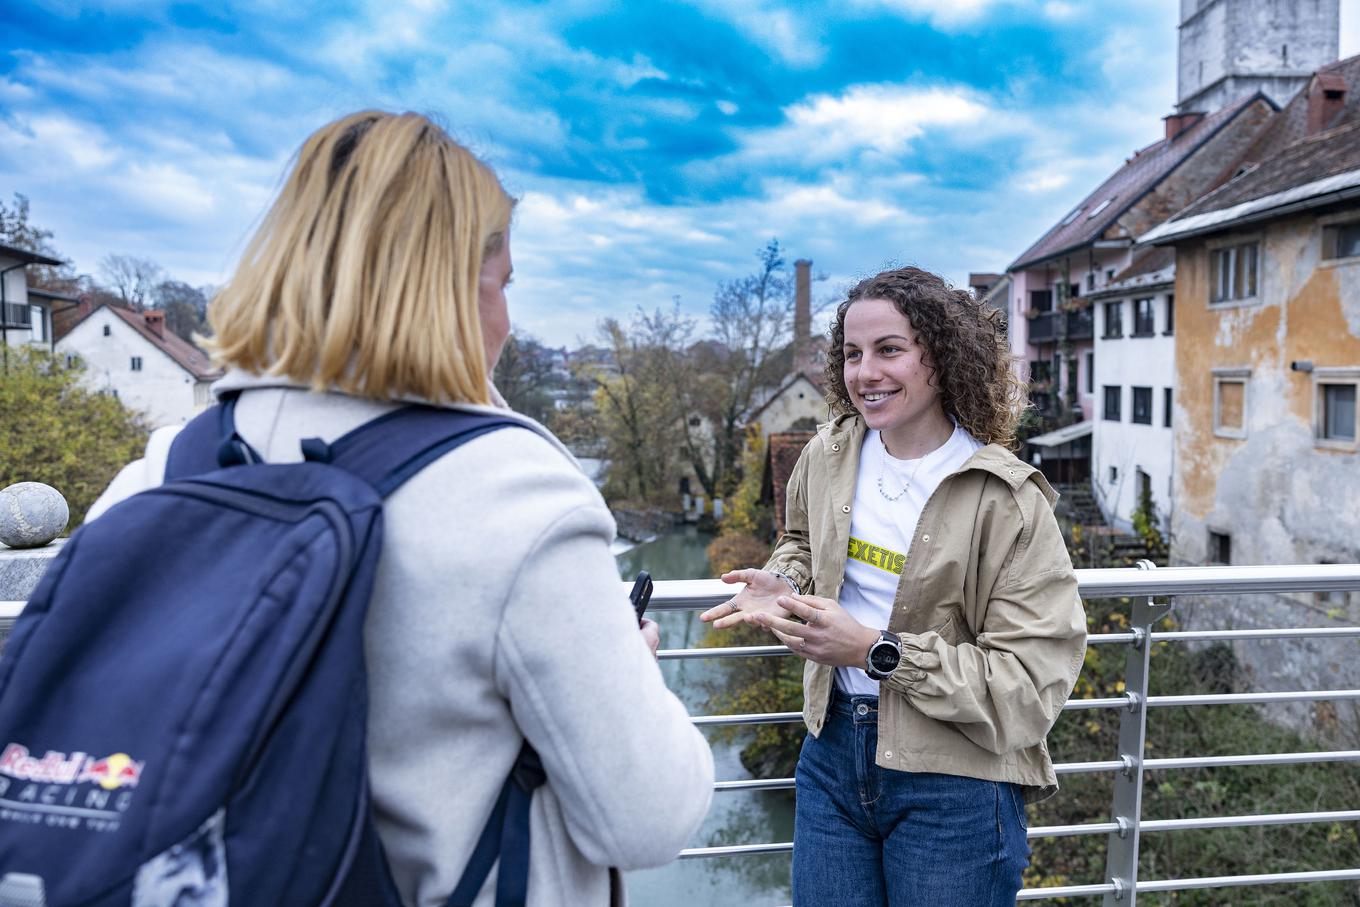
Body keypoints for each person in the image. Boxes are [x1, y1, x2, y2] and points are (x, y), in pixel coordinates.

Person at [87, 110, 714, 906]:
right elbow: (648, 821)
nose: (507, 323)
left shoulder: (163, 469)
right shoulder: (517, 494)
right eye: (502, 285)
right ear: (447, 291)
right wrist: (636, 674)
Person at [701, 267, 1086, 906]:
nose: (865, 373)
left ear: (940, 355)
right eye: (853, 354)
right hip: (831, 754)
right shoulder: (827, 456)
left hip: (954, 780)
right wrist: (787, 581)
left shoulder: (1006, 500)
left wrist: (874, 651)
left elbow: (1028, 687)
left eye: (889, 350)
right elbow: (800, 540)